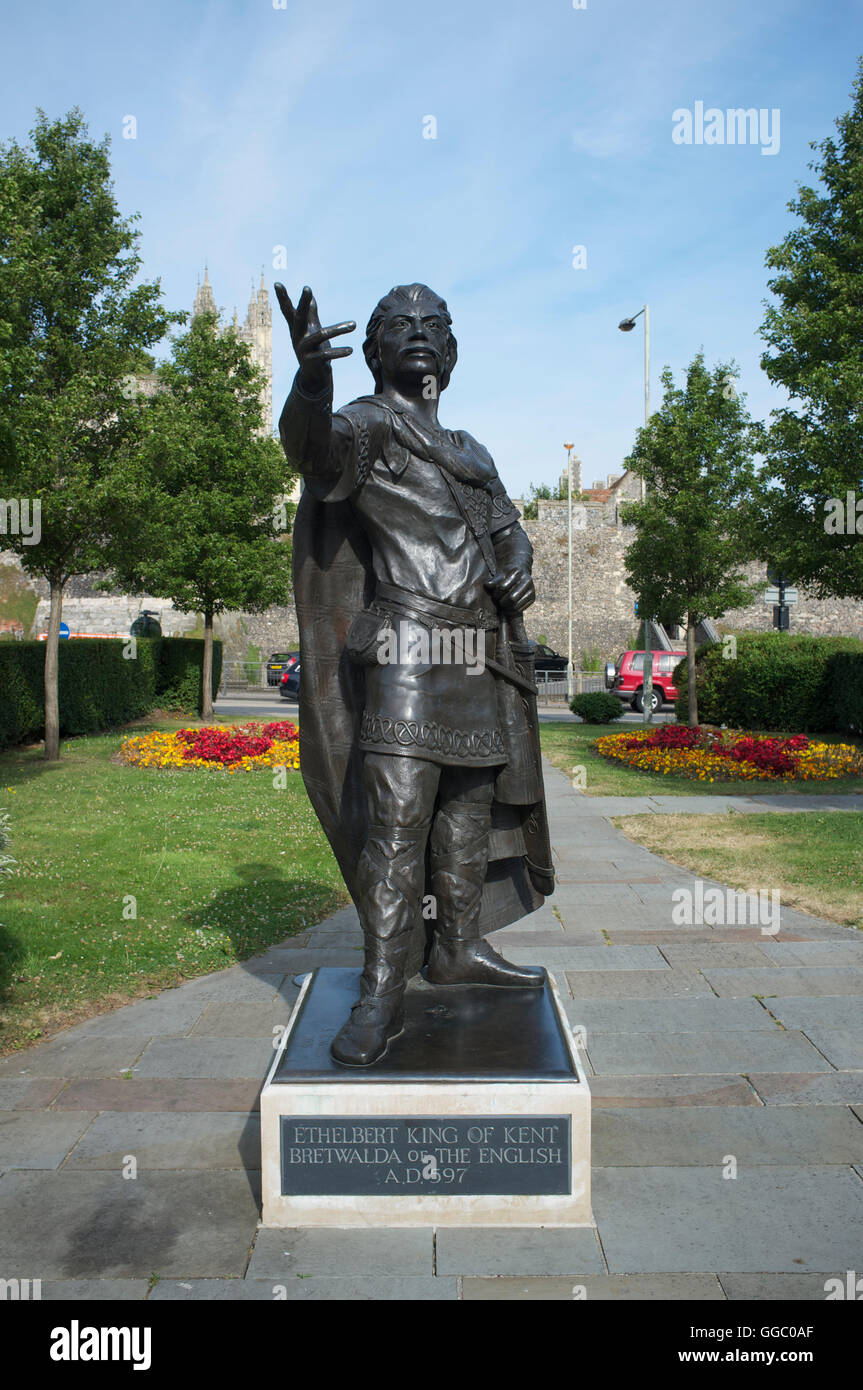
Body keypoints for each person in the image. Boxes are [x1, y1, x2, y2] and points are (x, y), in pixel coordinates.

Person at [277, 281, 552, 1066]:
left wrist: (519, 566)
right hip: (405, 644)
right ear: (375, 351)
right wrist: (310, 380)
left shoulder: (469, 448)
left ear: (451, 351)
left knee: (466, 811)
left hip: (477, 654)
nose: (419, 332)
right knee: (397, 822)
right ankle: (380, 990)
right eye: (399, 325)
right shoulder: (367, 426)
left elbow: (508, 529)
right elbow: (311, 452)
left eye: (433, 324)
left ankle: (457, 949)